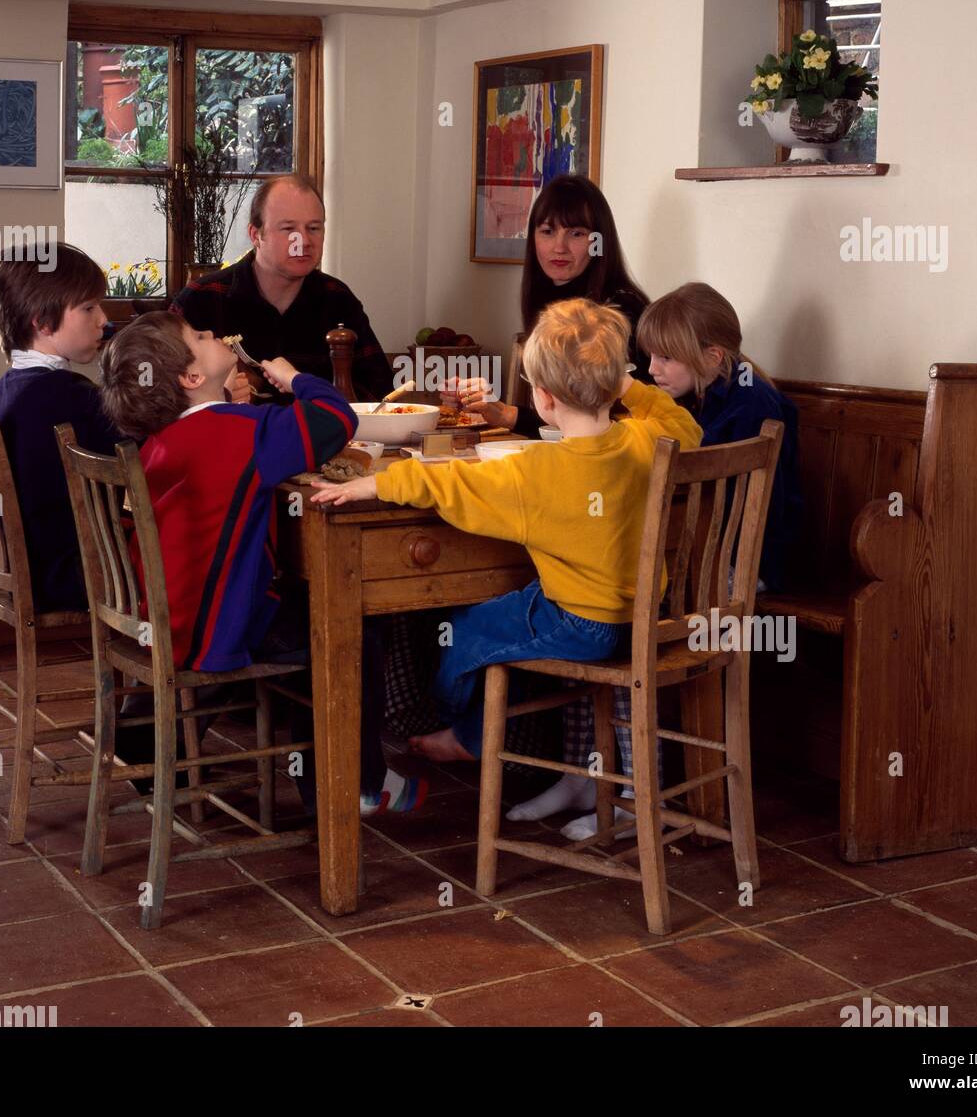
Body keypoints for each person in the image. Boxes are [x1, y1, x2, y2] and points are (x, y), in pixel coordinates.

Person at [311, 298, 703, 762]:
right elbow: (685, 425)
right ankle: (487, 739)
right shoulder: (645, 441)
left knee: (462, 630)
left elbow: (448, 480)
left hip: (580, 624)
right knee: (509, 623)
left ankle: (449, 722)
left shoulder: (533, 470)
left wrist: (373, 483)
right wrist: (628, 388)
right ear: (613, 384)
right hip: (645, 620)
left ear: (544, 398)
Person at [97, 312, 424, 816]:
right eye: (201, 336)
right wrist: (296, 379)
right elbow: (337, 420)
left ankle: (158, 732)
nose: (212, 333)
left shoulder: (164, 440)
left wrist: (232, 401)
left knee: (307, 611)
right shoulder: (239, 430)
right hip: (222, 627)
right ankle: (355, 785)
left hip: (169, 620)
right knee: (349, 631)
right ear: (191, 377)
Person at [517, 280, 805, 840]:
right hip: (692, 554)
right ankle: (585, 773)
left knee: (610, 615)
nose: (652, 369)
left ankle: (630, 795)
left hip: (744, 569)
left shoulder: (751, 406)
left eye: (664, 358)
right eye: (649, 355)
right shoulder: (703, 395)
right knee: (581, 599)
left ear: (713, 358)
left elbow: (691, 485)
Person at [0, 246, 128, 612]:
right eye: (89, 308)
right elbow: (144, 458)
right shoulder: (69, 396)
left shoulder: (3, 391)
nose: (103, 320)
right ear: (43, 322)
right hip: (71, 574)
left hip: (26, 568)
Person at [444, 174, 650, 436]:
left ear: (599, 241)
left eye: (576, 233)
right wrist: (498, 411)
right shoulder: (551, 302)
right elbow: (564, 422)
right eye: (547, 231)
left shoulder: (620, 309)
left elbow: (604, 424)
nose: (559, 247)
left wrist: (507, 414)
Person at [169, 172, 394, 401]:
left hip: (322, 437)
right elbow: (150, 403)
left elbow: (381, 395)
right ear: (256, 235)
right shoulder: (199, 301)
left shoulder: (339, 300)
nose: (304, 241)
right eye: (288, 229)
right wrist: (213, 399)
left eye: (314, 228)